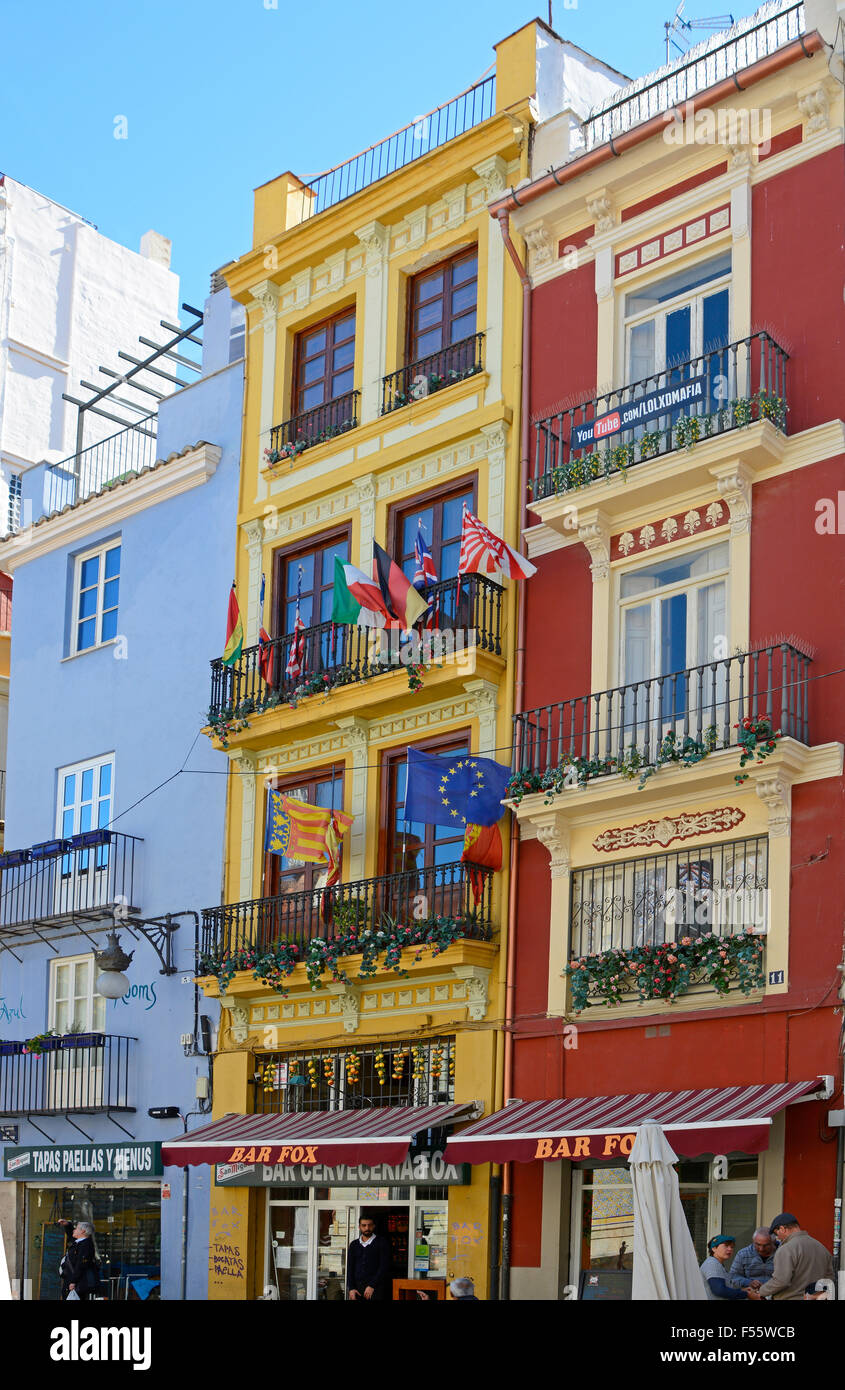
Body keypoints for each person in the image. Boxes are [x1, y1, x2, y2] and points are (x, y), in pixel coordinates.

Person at [757, 1213, 834, 1301]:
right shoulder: (822, 1248)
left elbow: (781, 1281)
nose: (777, 1238)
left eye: (776, 1233)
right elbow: (829, 1279)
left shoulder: (785, 1249)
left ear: (782, 1229)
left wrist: (761, 1291)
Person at [346, 1214, 391, 1302]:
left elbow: (384, 1266)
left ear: (374, 1226)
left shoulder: (382, 1242)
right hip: (357, 1289)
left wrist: (372, 1285)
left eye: (369, 1225)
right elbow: (350, 1267)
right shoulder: (354, 1244)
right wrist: (351, 1288)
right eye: (364, 1225)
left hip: (376, 1288)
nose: (367, 1228)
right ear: (359, 1227)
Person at [700, 1236, 759, 1300]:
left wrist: (742, 1290)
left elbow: (724, 1287)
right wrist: (746, 1294)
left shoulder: (717, 1263)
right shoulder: (712, 1263)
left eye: (732, 1247)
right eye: (726, 1246)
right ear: (714, 1248)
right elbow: (719, 1290)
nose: (730, 1249)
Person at [58, 1219, 100, 1301]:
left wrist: (74, 1281)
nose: (74, 1230)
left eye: (76, 1228)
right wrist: (67, 1225)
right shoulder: (79, 1242)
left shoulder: (86, 1245)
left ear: (83, 1231)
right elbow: (71, 1235)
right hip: (71, 1280)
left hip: (78, 1283)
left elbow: (81, 1265)